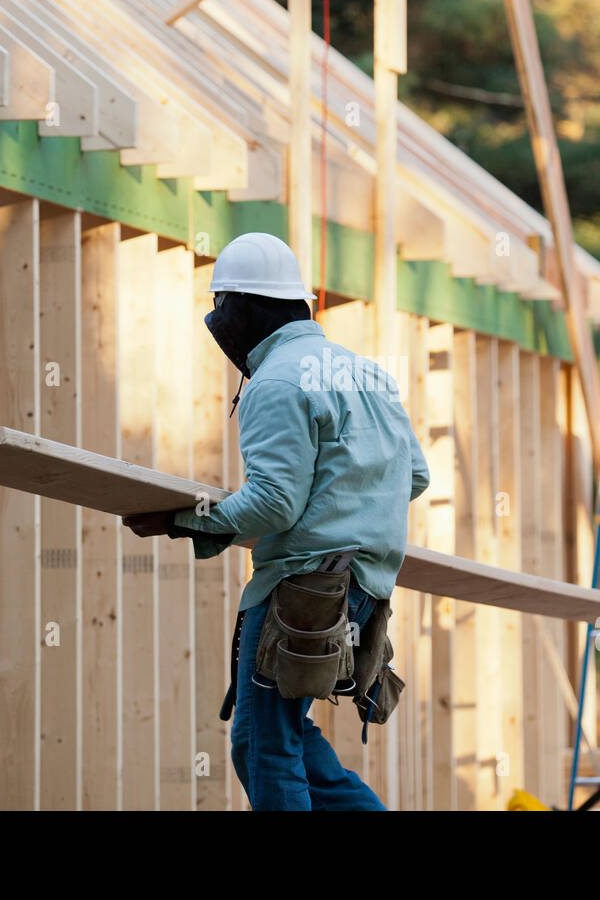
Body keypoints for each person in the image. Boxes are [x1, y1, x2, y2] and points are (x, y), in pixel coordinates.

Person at [124, 232, 429, 810]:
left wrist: (187, 521)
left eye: (221, 308)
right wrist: (350, 507)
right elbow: (414, 477)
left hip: (303, 590)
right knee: (283, 736)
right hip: (361, 589)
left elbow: (273, 503)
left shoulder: (276, 382)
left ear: (244, 308)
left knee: (263, 746)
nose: (217, 323)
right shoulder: (369, 375)